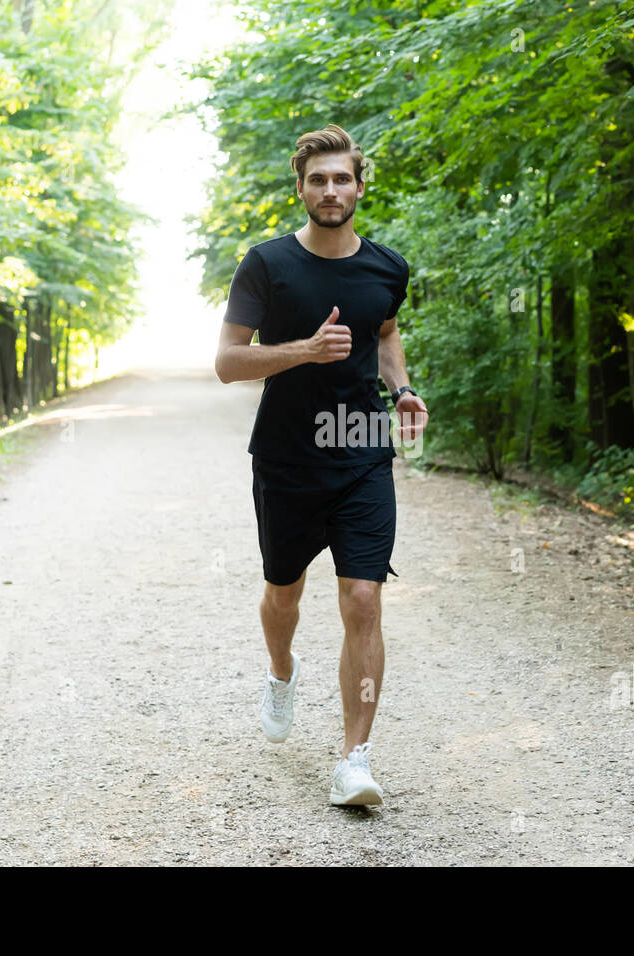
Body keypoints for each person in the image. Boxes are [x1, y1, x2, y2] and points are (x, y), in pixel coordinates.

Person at [215, 123, 428, 806]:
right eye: (318, 179)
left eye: (342, 178)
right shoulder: (267, 264)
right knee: (284, 593)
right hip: (286, 455)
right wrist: (302, 351)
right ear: (301, 188)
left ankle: (355, 760)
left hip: (363, 447)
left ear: (360, 186)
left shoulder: (388, 268)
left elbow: (385, 331)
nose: (330, 190)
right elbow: (227, 362)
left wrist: (401, 390)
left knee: (363, 597)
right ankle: (281, 670)